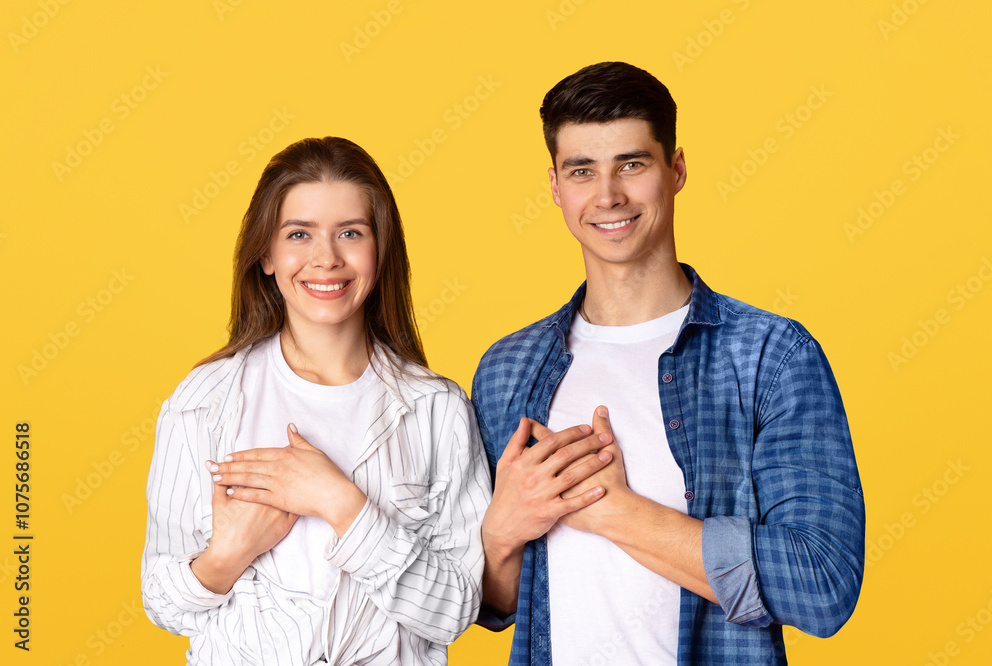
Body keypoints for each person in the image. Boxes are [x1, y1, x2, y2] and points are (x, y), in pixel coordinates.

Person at [473, 62, 865, 665]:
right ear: (555, 186)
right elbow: (494, 606)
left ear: (676, 169)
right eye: (582, 171)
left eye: (632, 165)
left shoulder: (770, 356)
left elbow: (823, 584)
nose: (608, 196)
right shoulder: (509, 369)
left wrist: (617, 512)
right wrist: (502, 532)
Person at [141, 136, 491, 665]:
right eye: (299, 234)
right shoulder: (204, 400)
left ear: (380, 251)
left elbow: (456, 608)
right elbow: (162, 602)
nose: (325, 258)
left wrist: (341, 503)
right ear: (266, 254)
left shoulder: (437, 409)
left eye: (350, 233)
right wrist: (227, 556)